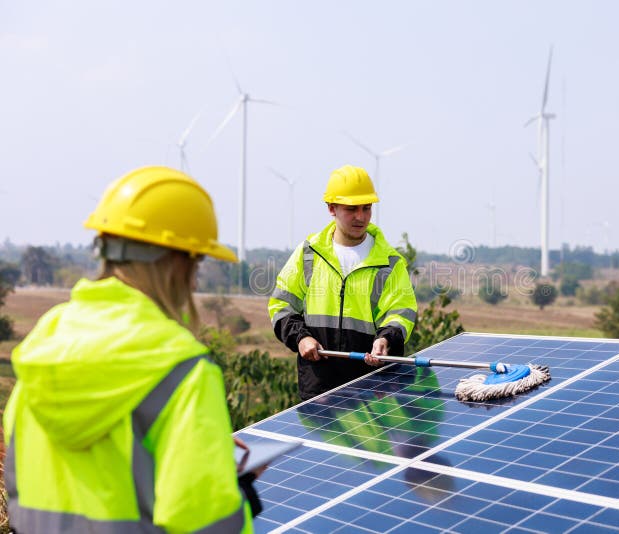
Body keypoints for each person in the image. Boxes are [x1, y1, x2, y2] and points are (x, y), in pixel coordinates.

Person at [3, 166, 258, 532]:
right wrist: (230, 483)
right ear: (178, 263)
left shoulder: (44, 346)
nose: (194, 279)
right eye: (197, 262)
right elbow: (206, 523)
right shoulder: (181, 368)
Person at [269, 164, 417, 400]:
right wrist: (301, 338)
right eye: (352, 209)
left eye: (366, 208)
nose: (361, 216)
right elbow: (281, 305)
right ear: (332, 208)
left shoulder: (390, 263)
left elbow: (401, 312)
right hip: (319, 389)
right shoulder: (308, 254)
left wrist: (385, 339)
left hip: (370, 390)